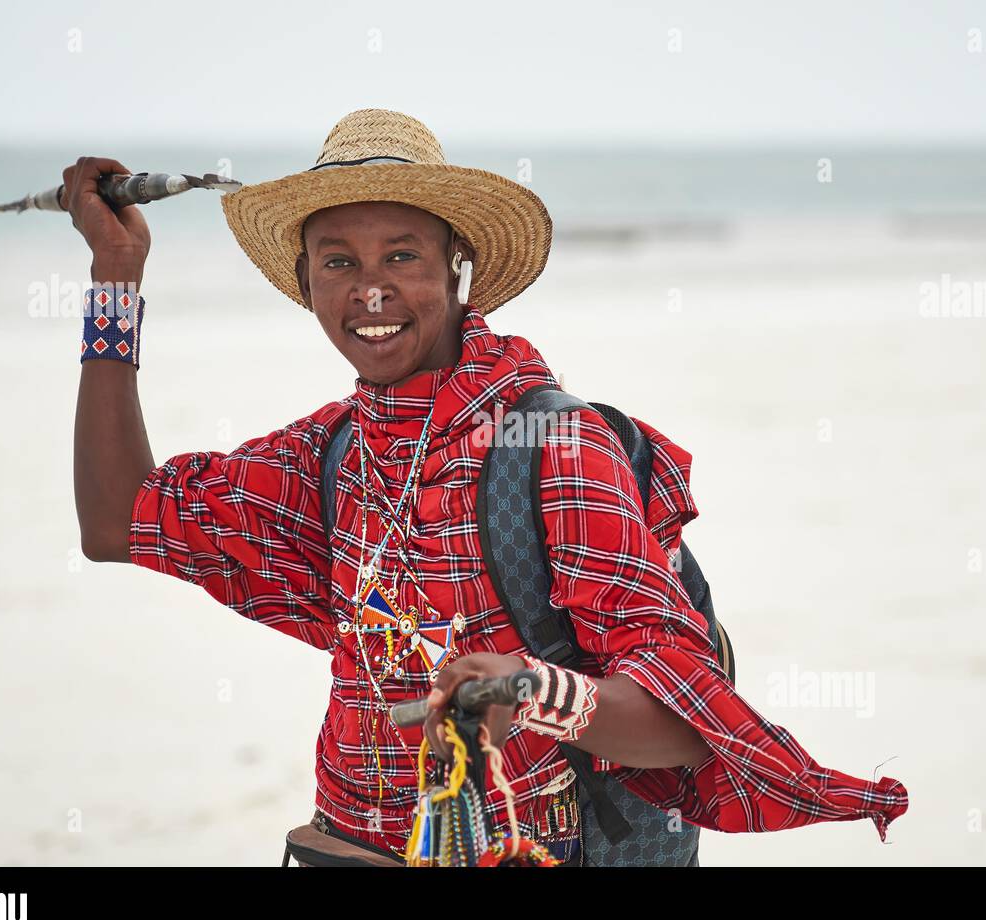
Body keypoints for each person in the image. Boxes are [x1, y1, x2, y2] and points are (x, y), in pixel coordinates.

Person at [67, 108, 908, 865]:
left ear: (456, 265)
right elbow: (117, 522)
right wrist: (117, 275)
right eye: (338, 262)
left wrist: (529, 687)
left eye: (402, 255)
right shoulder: (327, 453)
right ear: (306, 282)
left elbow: (686, 722)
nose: (370, 290)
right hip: (347, 845)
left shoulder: (548, 444)